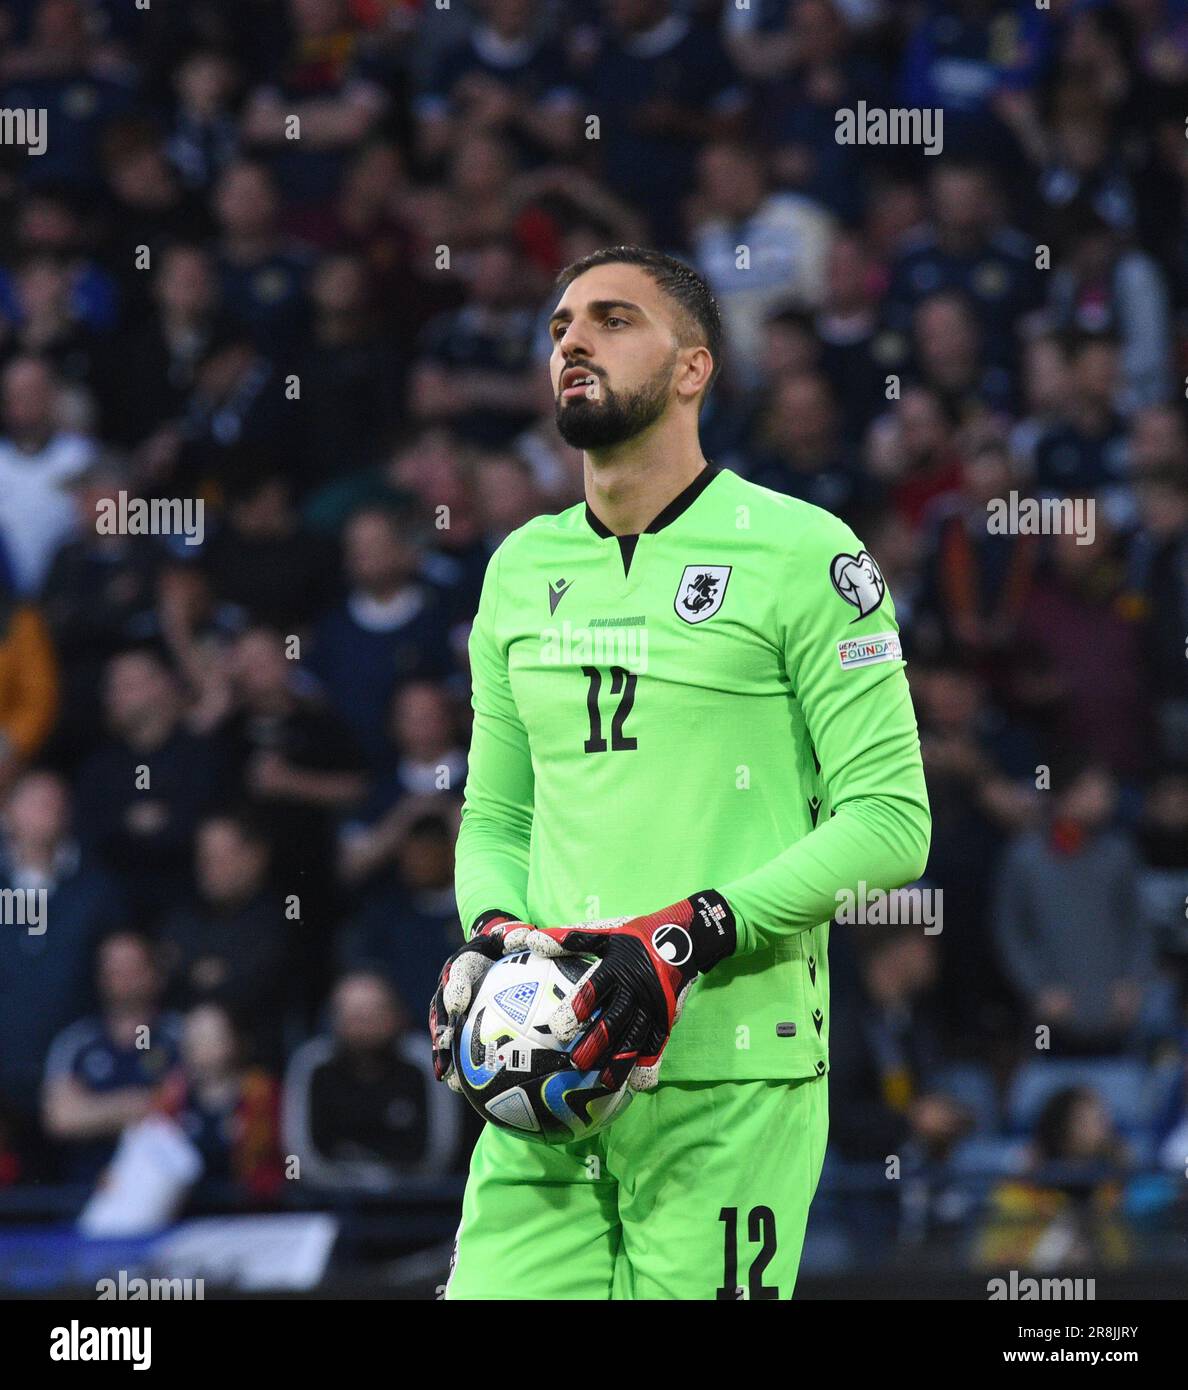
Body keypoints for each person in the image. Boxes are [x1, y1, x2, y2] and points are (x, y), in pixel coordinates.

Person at [430, 246, 930, 1299]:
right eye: (561, 325)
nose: (574, 340)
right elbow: (497, 816)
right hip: (547, 1072)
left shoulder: (806, 553)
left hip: (730, 1069)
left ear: (694, 367)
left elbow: (891, 822)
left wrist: (687, 934)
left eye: (613, 320)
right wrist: (491, 934)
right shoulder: (519, 568)